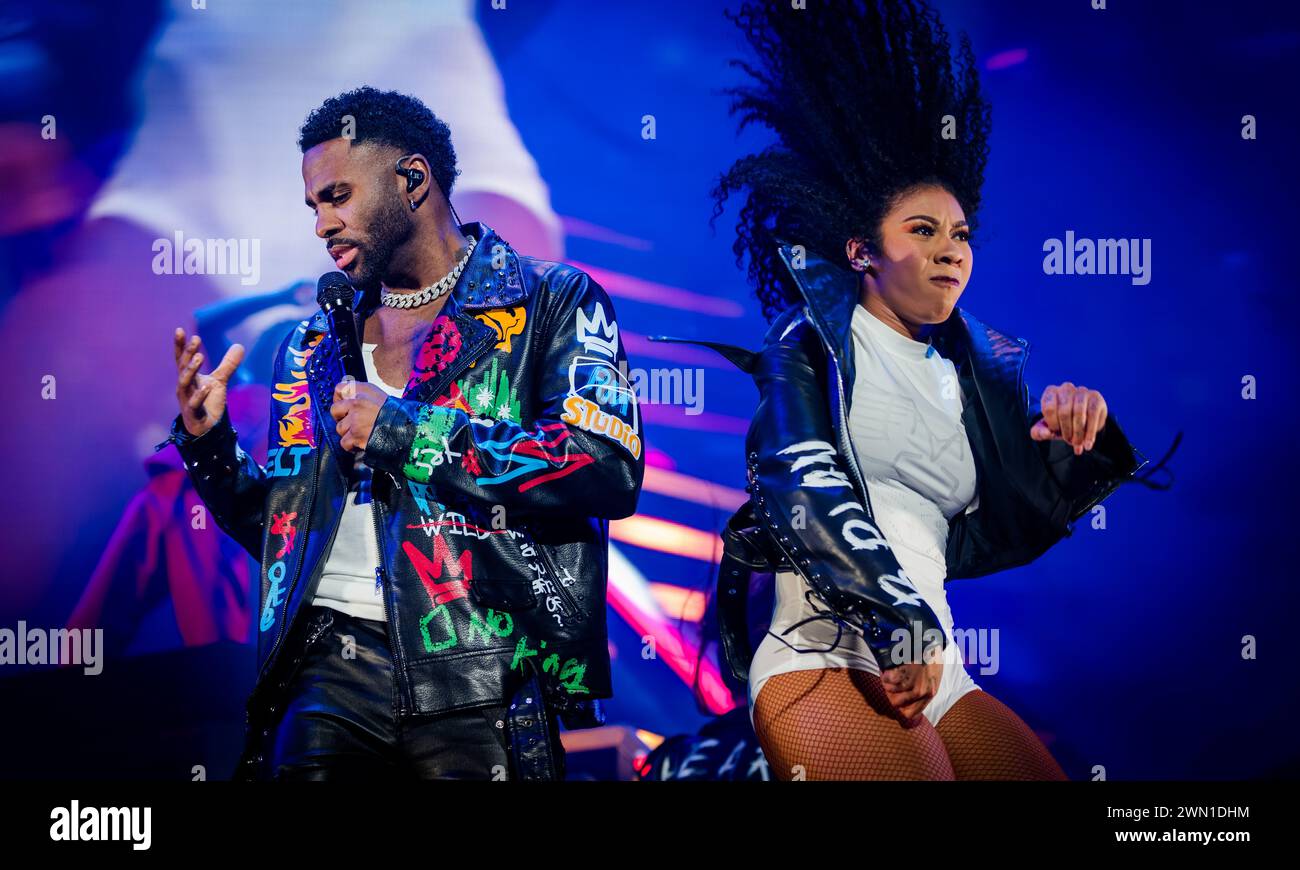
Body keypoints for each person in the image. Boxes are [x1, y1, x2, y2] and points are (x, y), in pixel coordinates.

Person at [702, 0, 1144, 780]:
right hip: (828, 657)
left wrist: (1078, 448)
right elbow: (799, 485)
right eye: (924, 230)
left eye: (962, 234)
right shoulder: (808, 346)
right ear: (861, 252)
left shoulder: (967, 378)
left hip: (937, 668)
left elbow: (978, 539)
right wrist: (901, 621)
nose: (952, 251)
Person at [157, 87, 644, 780]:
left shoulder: (551, 301)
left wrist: (403, 430)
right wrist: (210, 445)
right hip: (325, 670)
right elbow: (283, 534)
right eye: (314, 206)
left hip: (480, 666)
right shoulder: (312, 344)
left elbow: (604, 466)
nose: (323, 224)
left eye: (338, 196)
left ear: (412, 179)